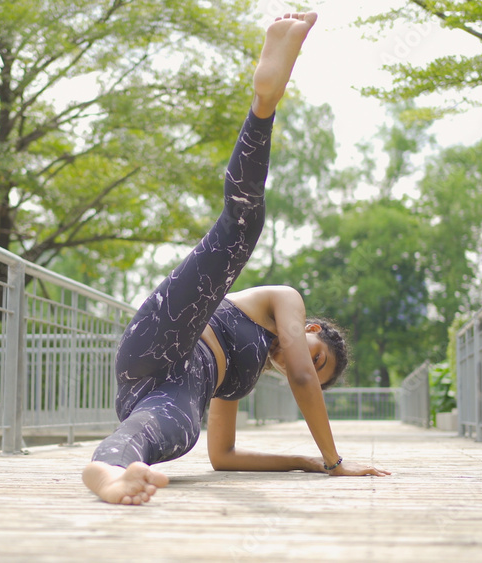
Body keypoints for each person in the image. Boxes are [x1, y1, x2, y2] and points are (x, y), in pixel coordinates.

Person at [82, 12, 390, 505]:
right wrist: (335, 462)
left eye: (311, 369)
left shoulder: (241, 378)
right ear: (310, 330)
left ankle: (107, 471)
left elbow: (222, 457)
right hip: (172, 332)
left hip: (164, 385)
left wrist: (307, 463)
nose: (299, 368)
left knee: (178, 436)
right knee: (242, 226)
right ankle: (264, 103)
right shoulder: (282, 300)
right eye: (315, 356)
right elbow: (303, 376)